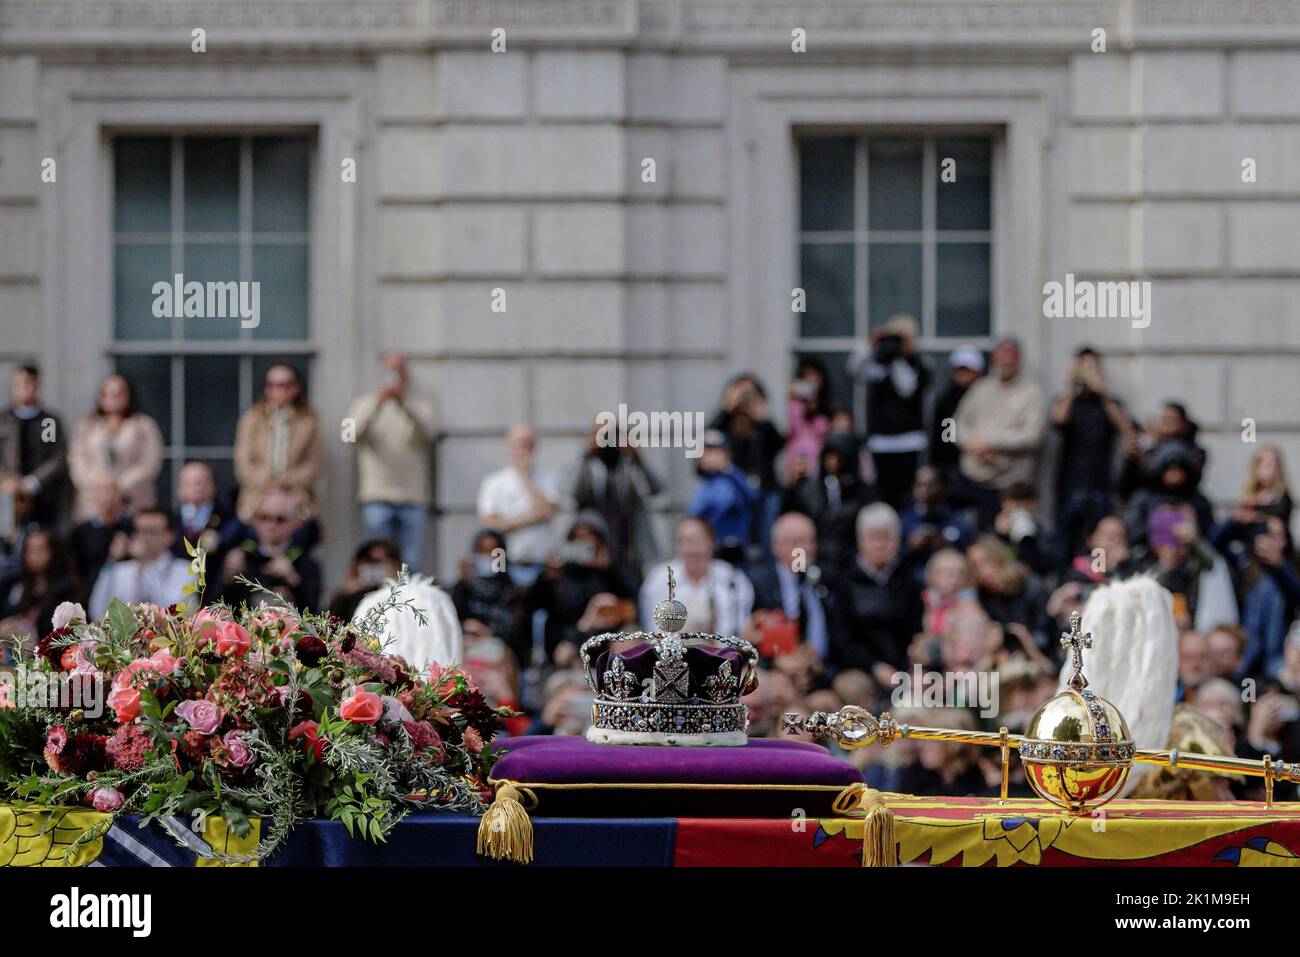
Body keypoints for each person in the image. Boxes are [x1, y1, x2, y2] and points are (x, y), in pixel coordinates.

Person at [347, 354, 435, 572]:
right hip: (376, 496)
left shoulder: (421, 405)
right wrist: (379, 401)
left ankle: (409, 605)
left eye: (399, 370)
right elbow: (350, 434)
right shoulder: (363, 403)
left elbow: (429, 433)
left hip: (412, 497)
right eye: (390, 370)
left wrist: (402, 403)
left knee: (410, 565)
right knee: (378, 562)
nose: (394, 376)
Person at [1049, 348, 1136, 553]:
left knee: (1100, 540)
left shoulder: (1109, 403)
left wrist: (1102, 392)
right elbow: (1058, 419)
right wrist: (1071, 386)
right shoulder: (1067, 400)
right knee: (1065, 542)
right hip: (1069, 485)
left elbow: (1125, 428)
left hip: (1101, 485)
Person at [523, 513, 638, 667]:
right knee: (565, 652)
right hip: (570, 638)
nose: (583, 546)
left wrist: (608, 568)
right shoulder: (561, 573)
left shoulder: (610, 570)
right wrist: (546, 577)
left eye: (589, 540)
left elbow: (632, 600)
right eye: (578, 540)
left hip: (607, 638)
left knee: (630, 642)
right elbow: (532, 605)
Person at [952, 338, 1045, 526]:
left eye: (1011, 359)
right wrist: (971, 443)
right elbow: (955, 424)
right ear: (994, 359)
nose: (1006, 363)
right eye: (1002, 358)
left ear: (1019, 360)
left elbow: (1033, 435)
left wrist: (991, 441)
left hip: (1010, 481)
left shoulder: (1032, 392)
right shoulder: (980, 388)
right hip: (974, 474)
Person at [847, 315, 930, 510]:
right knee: (882, 495)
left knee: (908, 495)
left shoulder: (917, 365)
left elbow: (906, 389)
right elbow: (853, 370)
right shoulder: (878, 365)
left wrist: (898, 359)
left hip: (910, 440)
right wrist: (870, 345)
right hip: (881, 441)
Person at [834, 503, 922, 685]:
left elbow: (916, 629)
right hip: (861, 671)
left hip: (905, 668)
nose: (880, 545)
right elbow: (842, 640)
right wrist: (874, 667)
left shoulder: (908, 579)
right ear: (860, 541)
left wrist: (913, 665)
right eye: (873, 538)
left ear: (898, 541)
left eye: (886, 537)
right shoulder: (845, 582)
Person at [571, 416, 662, 577]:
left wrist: (637, 456)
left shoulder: (629, 467)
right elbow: (573, 494)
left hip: (628, 553)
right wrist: (586, 454)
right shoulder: (589, 467)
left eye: (611, 435)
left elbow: (657, 489)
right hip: (594, 554)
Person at [233, 363, 324, 522]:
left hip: (297, 497)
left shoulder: (308, 422)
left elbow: (314, 465)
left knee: (304, 530)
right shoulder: (251, 420)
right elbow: (243, 464)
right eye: (272, 385)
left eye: (283, 385)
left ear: (296, 388)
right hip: (256, 496)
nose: (277, 390)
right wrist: (268, 481)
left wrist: (285, 481)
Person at [743, 511, 838, 662]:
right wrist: (775, 665)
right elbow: (747, 639)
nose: (806, 549)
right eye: (797, 542)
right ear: (776, 547)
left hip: (821, 668)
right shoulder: (758, 583)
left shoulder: (828, 579)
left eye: (811, 541)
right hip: (776, 668)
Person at [67, 373, 163, 523]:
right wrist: (101, 484)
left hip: (134, 502)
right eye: (108, 392)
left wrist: (119, 485)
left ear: (129, 395)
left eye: (119, 392)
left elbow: (150, 463)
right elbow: (77, 462)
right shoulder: (87, 427)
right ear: (100, 397)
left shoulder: (144, 425)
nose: (113, 397)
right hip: (93, 504)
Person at [640, 517, 754, 639]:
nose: (692, 550)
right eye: (685, 542)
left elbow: (739, 632)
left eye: (698, 541)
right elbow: (652, 630)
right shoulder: (659, 579)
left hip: (721, 654)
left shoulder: (733, 579)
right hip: (670, 653)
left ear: (712, 543)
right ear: (677, 547)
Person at [476, 423, 560, 588]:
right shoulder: (494, 483)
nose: (523, 448)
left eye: (528, 443)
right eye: (519, 443)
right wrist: (530, 518)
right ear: (509, 446)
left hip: (541, 564)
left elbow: (547, 512)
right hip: (505, 566)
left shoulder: (548, 479)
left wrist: (525, 478)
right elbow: (490, 524)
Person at [218, 482, 322, 610]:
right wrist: (228, 579)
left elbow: (314, 615)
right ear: (254, 520)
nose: (271, 525)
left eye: (280, 519)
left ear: (295, 522)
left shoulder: (305, 562)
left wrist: (294, 583)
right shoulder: (243, 557)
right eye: (264, 517)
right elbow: (216, 608)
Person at [782, 429, 876, 570]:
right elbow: (797, 532)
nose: (834, 463)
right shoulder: (808, 489)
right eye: (830, 456)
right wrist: (798, 569)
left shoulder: (863, 493)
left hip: (850, 565)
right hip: (812, 561)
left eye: (839, 457)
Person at [709, 373, 784, 547]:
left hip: (764, 491)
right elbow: (706, 445)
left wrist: (761, 417)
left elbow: (778, 445)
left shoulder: (761, 426)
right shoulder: (725, 424)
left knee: (767, 540)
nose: (745, 399)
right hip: (734, 492)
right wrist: (726, 409)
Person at [88, 507, 194, 618]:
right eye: (139, 531)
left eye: (151, 531)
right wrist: (112, 560)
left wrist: (146, 565)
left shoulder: (187, 570)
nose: (144, 537)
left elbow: (170, 610)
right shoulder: (120, 570)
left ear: (170, 535)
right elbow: (96, 610)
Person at [0, 365, 67, 529]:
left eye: (28, 383)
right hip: (7, 493)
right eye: (19, 384)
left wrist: (33, 482)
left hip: (41, 494)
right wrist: (7, 480)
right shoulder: (3, 420)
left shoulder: (47, 421)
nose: (24, 388)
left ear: (37, 385)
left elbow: (55, 457)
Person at [450, 528, 525, 665]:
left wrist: (485, 632)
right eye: (482, 551)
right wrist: (462, 583)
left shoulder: (510, 588)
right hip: (467, 644)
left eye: (493, 551)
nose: (488, 556)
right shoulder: (465, 587)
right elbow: (453, 618)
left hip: (497, 648)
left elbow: (511, 627)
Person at [687, 430, 758, 561]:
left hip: (737, 549)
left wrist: (727, 468)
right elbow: (695, 515)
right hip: (711, 550)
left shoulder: (734, 479)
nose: (711, 457)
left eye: (716, 452)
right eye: (706, 452)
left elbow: (752, 496)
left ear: (727, 455)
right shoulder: (704, 486)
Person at [0, 528, 80, 641]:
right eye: (29, 549)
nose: (33, 555)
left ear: (53, 552)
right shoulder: (15, 582)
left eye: (40, 549)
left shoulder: (66, 588)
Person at [929, 347, 984, 485]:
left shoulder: (986, 396)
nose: (963, 375)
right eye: (960, 370)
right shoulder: (947, 400)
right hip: (952, 463)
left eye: (968, 370)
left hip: (982, 461)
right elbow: (943, 435)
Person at [67, 479, 132, 593]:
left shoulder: (130, 529)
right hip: (91, 591)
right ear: (94, 498)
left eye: (113, 492)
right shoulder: (81, 532)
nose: (109, 499)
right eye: (104, 492)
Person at [784, 357, 834, 485]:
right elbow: (793, 425)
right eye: (806, 378)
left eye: (814, 378)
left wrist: (814, 403)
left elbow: (827, 429)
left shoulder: (827, 406)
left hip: (818, 458)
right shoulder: (796, 404)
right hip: (796, 455)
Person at [327, 538, 403, 622]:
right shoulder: (347, 597)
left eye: (384, 561)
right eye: (371, 561)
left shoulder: (404, 597)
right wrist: (347, 592)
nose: (378, 568)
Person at [171, 461, 234, 561]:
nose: (198, 487)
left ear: (214, 486)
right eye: (191, 483)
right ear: (179, 489)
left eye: (203, 482)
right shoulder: (170, 521)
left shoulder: (229, 519)